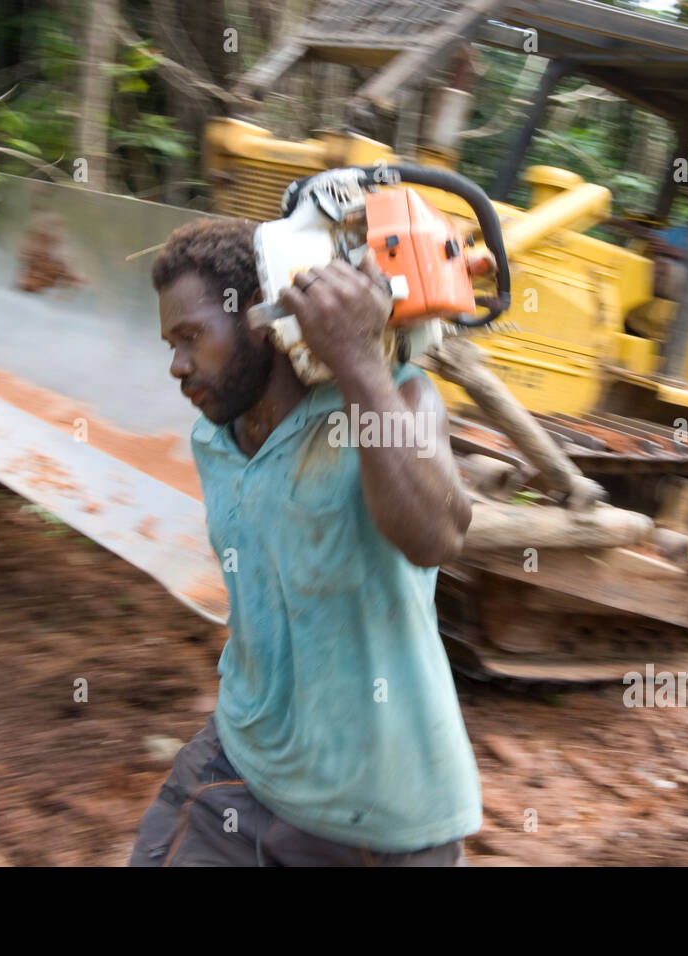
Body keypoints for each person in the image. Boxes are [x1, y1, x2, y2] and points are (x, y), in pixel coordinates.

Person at [128, 217, 482, 866]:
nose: (177, 366)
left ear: (266, 319)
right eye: (169, 343)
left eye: (190, 337)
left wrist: (356, 359)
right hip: (242, 763)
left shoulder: (396, 398)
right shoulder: (215, 439)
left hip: (379, 808)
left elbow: (435, 535)